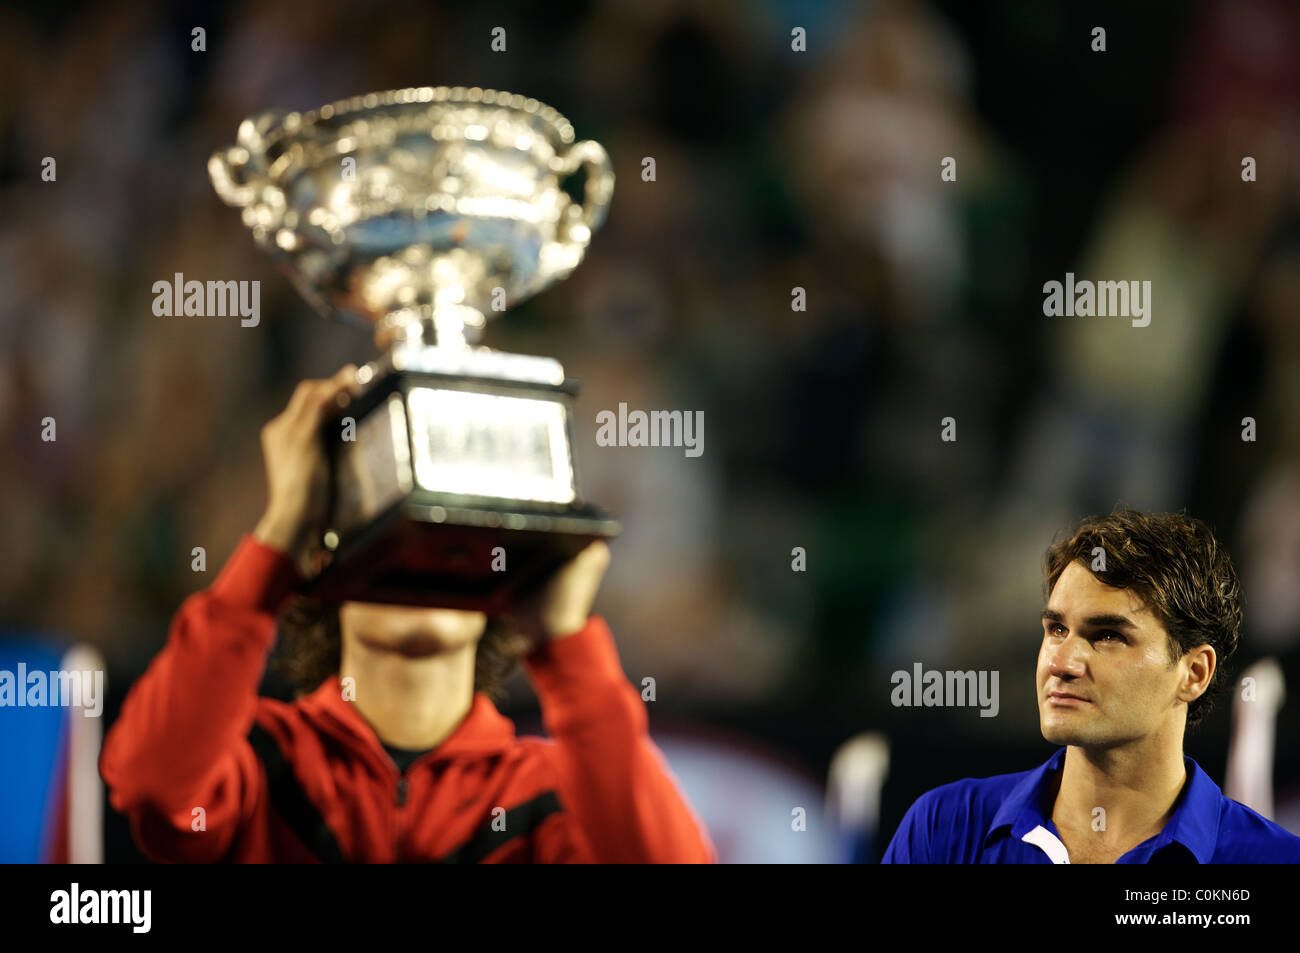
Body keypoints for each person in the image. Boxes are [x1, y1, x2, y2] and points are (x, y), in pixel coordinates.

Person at [100, 366, 716, 863]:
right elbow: (153, 789)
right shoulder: (257, 765)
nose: (426, 554)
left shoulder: (548, 793)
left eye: (460, 535)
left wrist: (564, 642)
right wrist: (278, 535)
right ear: (323, 557)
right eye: (386, 525)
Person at [882, 508, 1300, 863]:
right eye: (1056, 629)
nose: (1060, 663)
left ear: (1194, 673)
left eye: (1107, 636)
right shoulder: (942, 830)